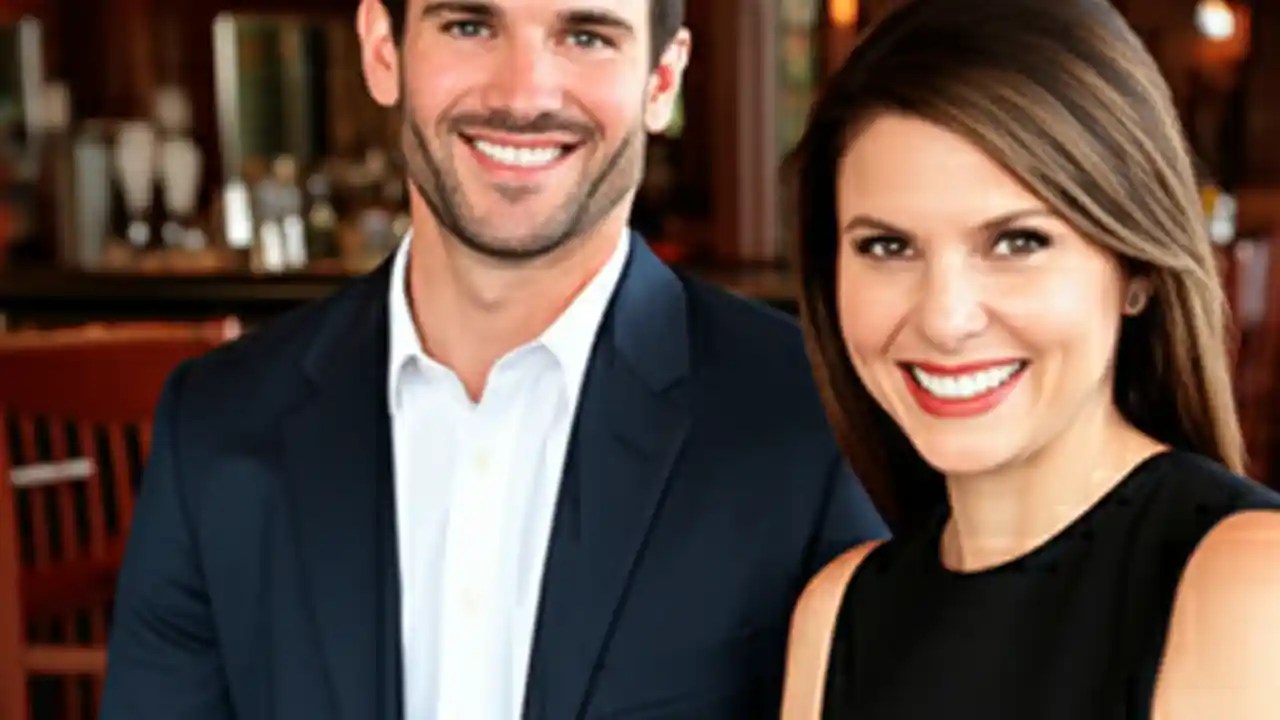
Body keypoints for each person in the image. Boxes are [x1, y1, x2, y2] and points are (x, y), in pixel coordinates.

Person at [99, 1, 888, 719]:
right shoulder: (217, 422)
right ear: (383, 51)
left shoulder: (813, 414)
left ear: (661, 78)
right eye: (469, 25)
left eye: (585, 36)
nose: (523, 93)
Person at [777, 0, 1280, 718]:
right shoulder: (835, 618)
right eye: (888, 247)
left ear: (1136, 270)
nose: (945, 319)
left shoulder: (1250, 583)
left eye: (1017, 243)